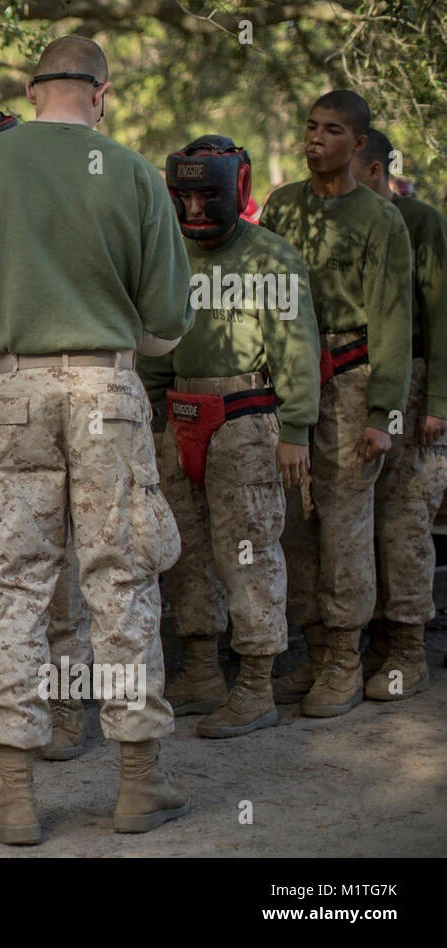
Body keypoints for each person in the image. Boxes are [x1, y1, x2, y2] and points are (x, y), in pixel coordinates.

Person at [0, 35, 193, 844]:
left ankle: (14, 791)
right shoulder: (131, 173)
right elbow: (167, 322)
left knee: (15, 585)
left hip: (12, 387)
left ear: (31, 86)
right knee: (122, 580)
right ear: (102, 93)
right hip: (105, 389)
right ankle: (137, 784)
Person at [141, 135, 320, 738]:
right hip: (178, 412)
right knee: (185, 547)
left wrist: (295, 429)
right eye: (182, 196)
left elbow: (298, 349)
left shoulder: (273, 258)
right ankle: (200, 671)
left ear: (236, 190)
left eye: (205, 195)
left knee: (248, 552)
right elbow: (156, 334)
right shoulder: (168, 253)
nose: (192, 209)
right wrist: (153, 411)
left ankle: (256, 685)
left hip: (246, 418)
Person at [0, 108, 95, 762]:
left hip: (61, 411)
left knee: (63, 569)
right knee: (6, 568)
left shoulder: (59, 219)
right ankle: (17, 709)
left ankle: (65, 711)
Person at [258, 91, 414, 718]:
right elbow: (261, 289)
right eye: (310, 128)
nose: (316, 139)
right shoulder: (283, 207)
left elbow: (394, 324)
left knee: (345, 519)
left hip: (351, 375)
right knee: (292, 518)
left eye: (332, 131)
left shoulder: (382, 220)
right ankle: (316, 650)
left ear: (359, 144)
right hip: (288, 375)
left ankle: (346, 658)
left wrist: (384, 415)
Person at [351, 127, 446, 701]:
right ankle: (360, 642)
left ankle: (407, 646)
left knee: (405, 519)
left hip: (413, 389)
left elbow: (440, 316)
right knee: (351, 521)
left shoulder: (420, 221)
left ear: (372, 170)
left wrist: (438, 402)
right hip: (354, 383)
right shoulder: (341, 220)